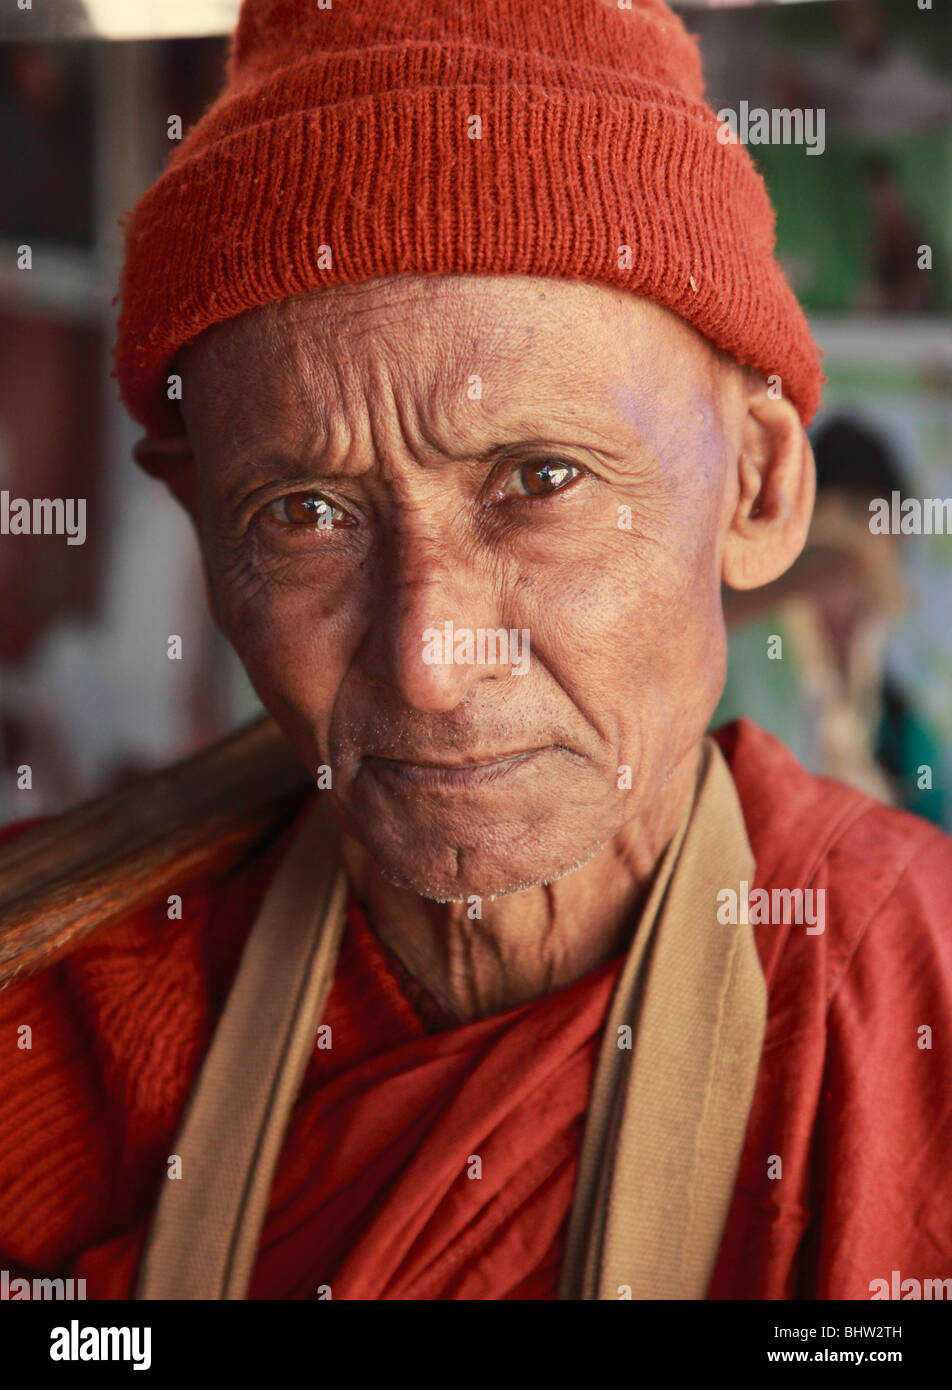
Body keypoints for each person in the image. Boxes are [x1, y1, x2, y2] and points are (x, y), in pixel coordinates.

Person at [1, 0, 949, 1302]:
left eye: (541, 478)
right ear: (208, 539)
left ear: (759, 489)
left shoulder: (919, 1001)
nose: (428, 661)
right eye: (305, 513)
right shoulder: (52, 1034)